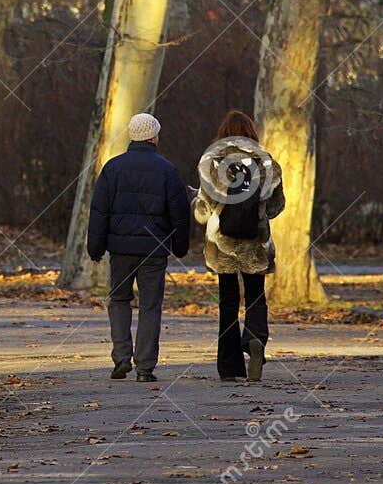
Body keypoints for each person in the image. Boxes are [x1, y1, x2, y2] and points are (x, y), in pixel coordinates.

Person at [87, 112, 191, 383]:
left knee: (119, 299)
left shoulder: (113, 168)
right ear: (154, 136)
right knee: (150, 306)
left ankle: (122, 357)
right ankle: (145, 367)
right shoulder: (167, 170)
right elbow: (179, 213)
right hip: (154, 250)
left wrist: (95, 248)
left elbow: (99, 212)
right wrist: (179, 246)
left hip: (120, 249)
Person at [193, 110, 284, 382]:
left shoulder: (211, 163)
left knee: (228, 301)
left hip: (222, 244)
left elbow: (202, 210)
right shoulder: (267, 163)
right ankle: (254, 338)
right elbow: (277, 207)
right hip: (255, 243)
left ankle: (229, 366)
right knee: (256, 296)